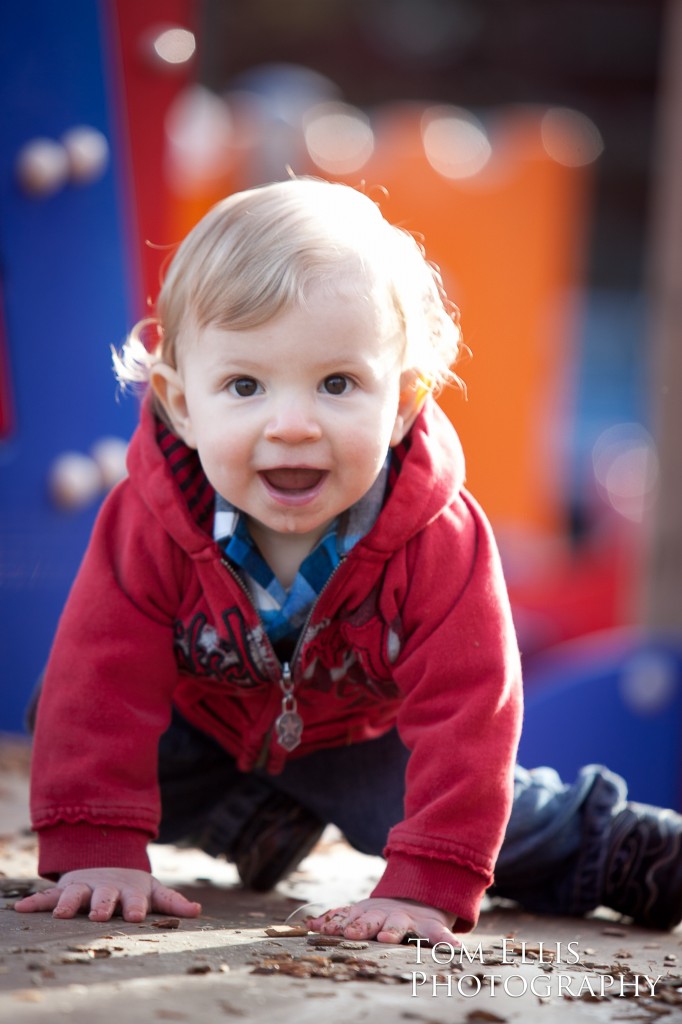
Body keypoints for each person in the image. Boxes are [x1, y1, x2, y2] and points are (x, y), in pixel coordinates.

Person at [15, 179, 682, 941]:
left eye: (337, 383)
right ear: (180, 402)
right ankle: (259, 819)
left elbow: (471, 709)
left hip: (362, 744)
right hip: (206, 735)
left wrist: (424, 884)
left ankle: (629, 850)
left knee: (483, 823)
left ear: (401, 401)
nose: (293, 424)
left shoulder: (436, 534)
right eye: (244, 385)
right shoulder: (150, 517)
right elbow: (102, 672)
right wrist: (98, 850)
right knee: (63, 710)